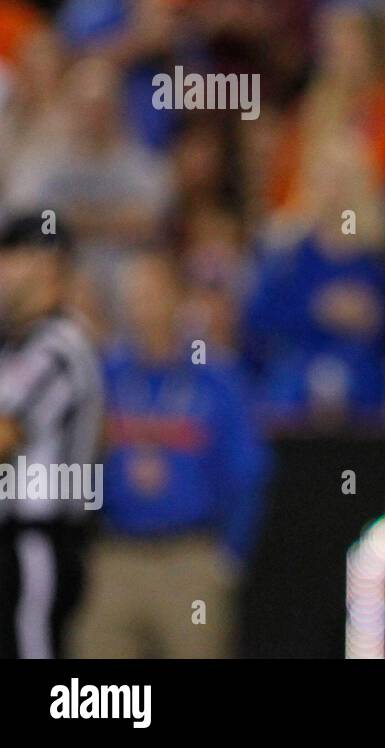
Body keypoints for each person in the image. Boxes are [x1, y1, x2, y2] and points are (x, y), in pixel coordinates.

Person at [73, 249, 268, 658]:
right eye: (132, 296)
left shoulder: (217, 378)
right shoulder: (104, 376)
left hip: (191, 558)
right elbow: (75, 463)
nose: (140, 306)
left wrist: (228, 557)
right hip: (116, 557)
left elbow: (248, 474)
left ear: (178, 299)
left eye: (151, 293)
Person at [0, 212, 103, 659]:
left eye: (9, 257)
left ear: (44, 265)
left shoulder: (60, 345)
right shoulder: (15, 345)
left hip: (36, 543)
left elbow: (4, 434)